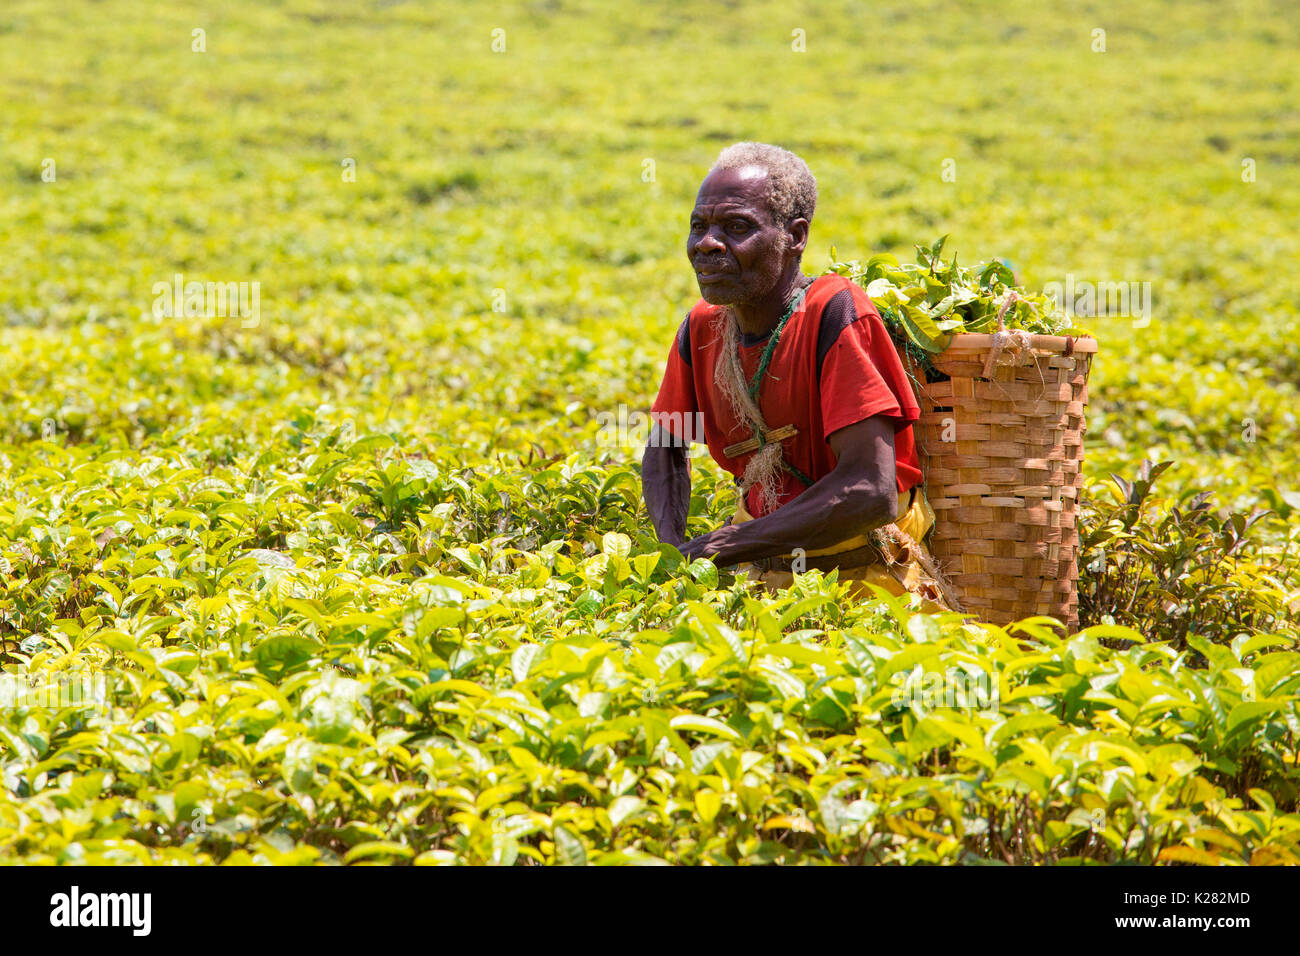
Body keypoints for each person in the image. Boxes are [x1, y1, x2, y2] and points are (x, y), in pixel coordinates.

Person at [641, 142, 960, 612]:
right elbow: (667, 447)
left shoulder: (834, 312)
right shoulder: (703, 327)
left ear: (795, 236)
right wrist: (672, 549)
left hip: (869, 582)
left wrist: (722, 546)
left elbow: (868, 492)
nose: (707, 243)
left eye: (736, 227)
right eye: (698, 226)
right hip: (764, 580)